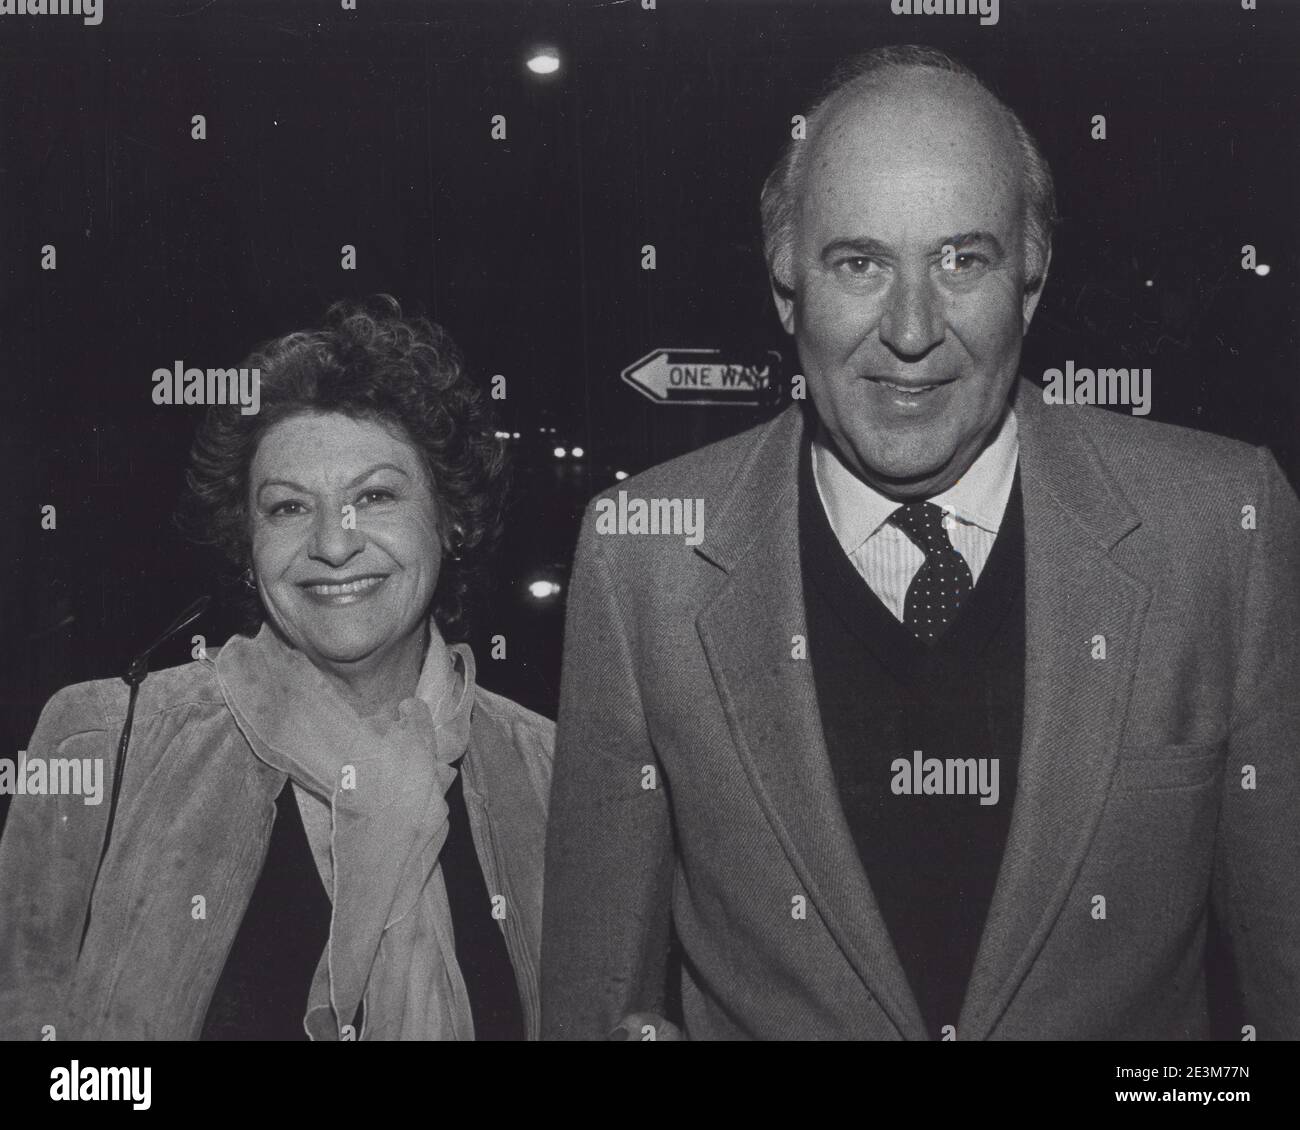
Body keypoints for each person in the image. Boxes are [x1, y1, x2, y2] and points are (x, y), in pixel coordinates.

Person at [541, 46, 1300, 1040]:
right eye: (858, 262)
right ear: (785, 288)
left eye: (961, 259)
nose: (910, 328)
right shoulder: (642, 560)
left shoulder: (1220, 527)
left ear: (1028, 282)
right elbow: (599, 1005)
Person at [0, 297, 554, 1040]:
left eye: (376, 496)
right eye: (289, 508)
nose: (333, 543)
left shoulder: (551, 775)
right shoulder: (99, 743)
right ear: (246, 540)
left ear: (450, 518)